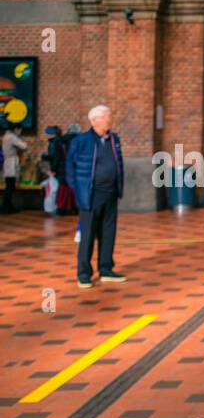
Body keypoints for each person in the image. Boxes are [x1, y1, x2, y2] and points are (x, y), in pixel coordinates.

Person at [65, 105, 126, 287]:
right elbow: (70, 167)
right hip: (90, 194)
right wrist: (78, 190)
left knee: (108, 233)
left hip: (111, 193)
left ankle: (106, 269)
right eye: (106, 117)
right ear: (94, 120)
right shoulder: (81, 141)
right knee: (88, 234)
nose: (110, 120)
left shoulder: (114, 139)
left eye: (109, 116)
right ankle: (83, 274)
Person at [2, 121, 27, 214]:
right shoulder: (12, 137)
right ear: (16, 129)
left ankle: (7, 206)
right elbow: (24, 146)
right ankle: (6, 207)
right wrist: (19, 138)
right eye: (20, 130)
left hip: (7, 162)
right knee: (10, 187)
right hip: (11, 163)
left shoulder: (5, 136)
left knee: (9, 186)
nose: (20, 132)